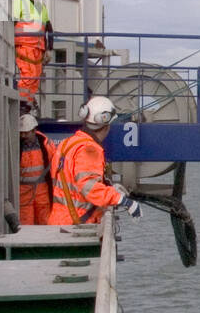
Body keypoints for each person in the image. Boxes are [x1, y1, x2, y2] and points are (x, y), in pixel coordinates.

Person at [48, 96, 142, 225]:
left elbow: (71, 183)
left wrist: (109, 188)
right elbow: (89, 188)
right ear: (107, 126)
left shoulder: (66, 144)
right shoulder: (89, 149)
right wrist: (122, 200)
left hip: (58, 220)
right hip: (76, 225)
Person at [13, 0, 52, 112]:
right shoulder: (20, 3)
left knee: (35, 77)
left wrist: (49, 49)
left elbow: (48, 28)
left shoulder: (42, 8)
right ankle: (20, 103)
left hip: (38, 48)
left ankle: (27, 104)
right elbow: (11, 22)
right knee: (28, 75)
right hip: (24, 45)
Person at [18, 112, 58, 225]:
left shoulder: (46, 144)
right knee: (25, 223)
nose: (23, 136)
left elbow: (55, 165)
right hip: (23, 192)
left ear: (34, 130)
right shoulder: (16, 145)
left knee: (45, 221)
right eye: (22, 133)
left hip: (42, 190)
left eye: (26, 133)